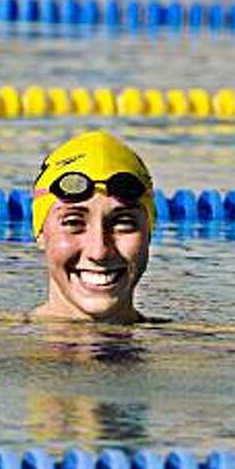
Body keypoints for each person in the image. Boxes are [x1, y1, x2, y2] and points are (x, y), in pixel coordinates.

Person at [30, 130, 156, 324]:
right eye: (73, 222)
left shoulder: (193, 346)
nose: (100, 252)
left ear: (149, 232)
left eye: (123, 224)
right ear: (40, 233)